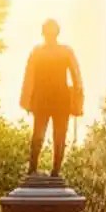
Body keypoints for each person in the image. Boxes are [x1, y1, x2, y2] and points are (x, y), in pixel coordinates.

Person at [19, 19, 84, 176]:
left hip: (47, 99)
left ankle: (36, 169)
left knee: (43, 135)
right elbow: (77, 79)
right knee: (55, 136)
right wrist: (77, 103)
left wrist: (27, 101)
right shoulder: (63, 51)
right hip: (57, 99)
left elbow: (29, 77)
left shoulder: (39, 52)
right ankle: (52, 171)